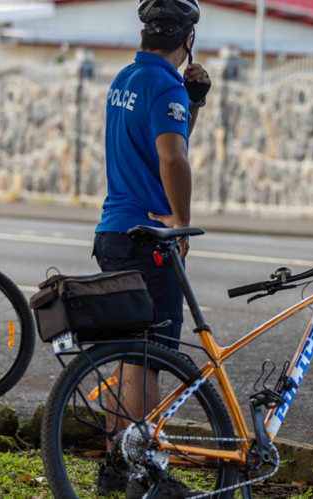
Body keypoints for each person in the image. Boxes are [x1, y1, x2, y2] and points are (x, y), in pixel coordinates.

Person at [91, 0, 211, 496]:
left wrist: (194, 104)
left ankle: (116, 469)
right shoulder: (165, 85)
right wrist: (181, 223)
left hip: (114, 233)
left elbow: (162, 142)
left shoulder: (126, 79)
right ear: (188, 41)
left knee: (126, 356)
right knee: (150, 357)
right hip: (148, 239)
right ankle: (145, 476)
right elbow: (173, 157)